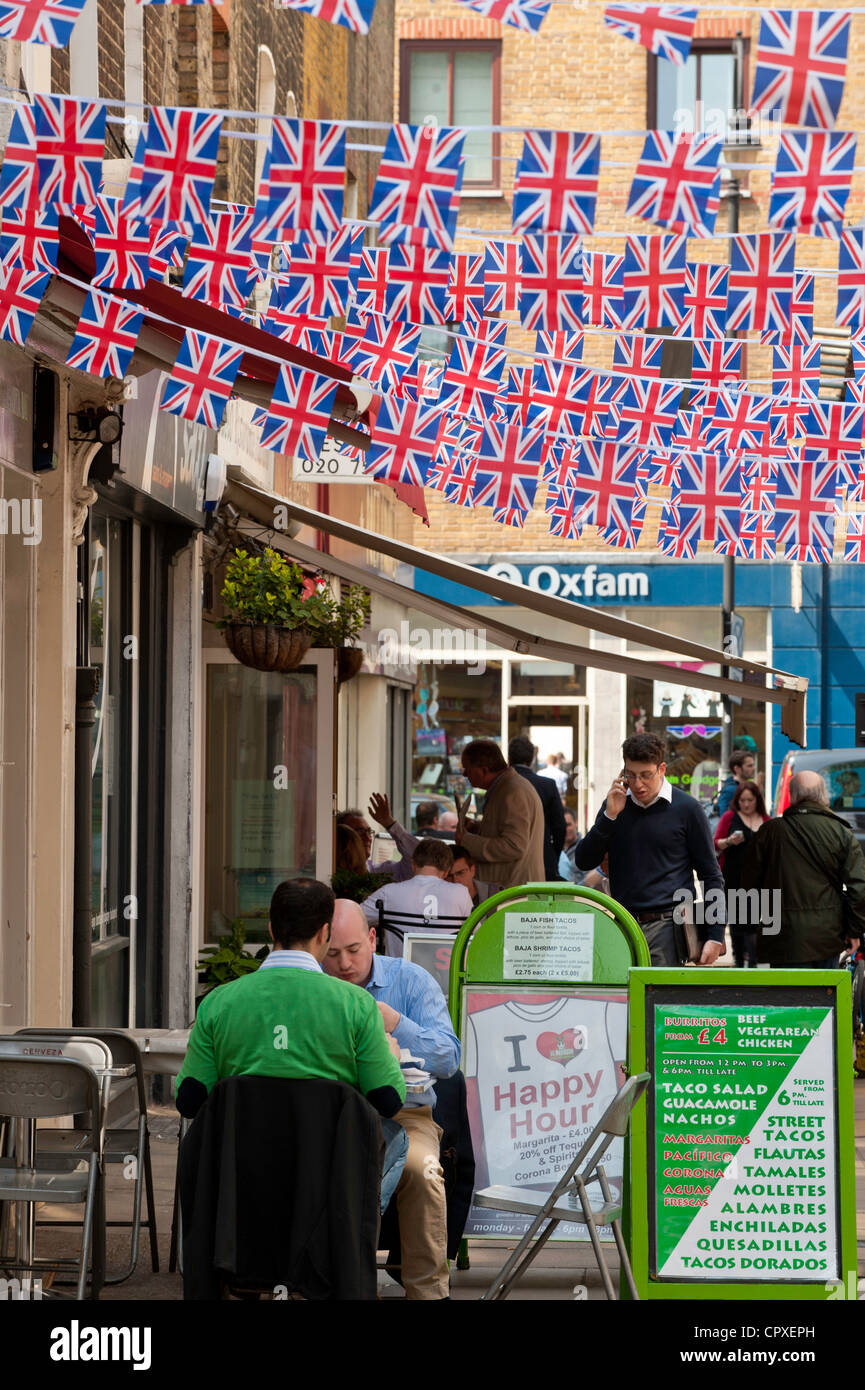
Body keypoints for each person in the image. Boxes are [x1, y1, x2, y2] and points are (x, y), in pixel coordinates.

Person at [174, 879, 409, 1211]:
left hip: (242, 1190)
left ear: (271, 930)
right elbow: (387, 1099)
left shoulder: (218, 1003)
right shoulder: (357, 1005)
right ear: (324, 934)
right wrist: (390, 1055)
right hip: (327, 1189)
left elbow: (189, 1100)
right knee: (397, 1138)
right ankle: (354, 1246)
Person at [324, 899, 461, 1301]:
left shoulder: (410, 980)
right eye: (332, 953)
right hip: (331, 1113)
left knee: (423, 1170)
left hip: (406, 1113)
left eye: (353, 950)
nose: (345, 963)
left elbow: (449, 1058)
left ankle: (428, 1292)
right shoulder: (315, 987)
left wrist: (397, 1023)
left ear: (373, 939)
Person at [573, 731, 726, 966]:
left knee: (659, 1000)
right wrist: (609, 815)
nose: (637, 784)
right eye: (630, 775)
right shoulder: (614, 806)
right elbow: (583, 860)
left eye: (646, 775)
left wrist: (715, 936)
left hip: (670, 928)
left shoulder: (687, 809)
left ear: (662, 769)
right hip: (622, 925)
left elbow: (710, 875)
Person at [741, 770, 865, 968]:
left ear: (792, 795)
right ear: (823, 795)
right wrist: (854, 931)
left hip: (781, 938)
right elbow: (859, 888)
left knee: (787, 997)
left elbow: (748, 885)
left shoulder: (770, 832)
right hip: (827, 938)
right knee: (825, 996)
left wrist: (752, 930)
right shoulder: (841, 833)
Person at [457, 739, 545, 889]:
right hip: (510, 891)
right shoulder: (507, 788)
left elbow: (514, 846)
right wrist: (478, 828)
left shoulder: (513, 792)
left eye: (467, 769)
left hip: (513, 894)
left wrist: (466, 841)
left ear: (484, 770)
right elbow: (506, 831)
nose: (465, 774)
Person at [360, 838, 474, 953]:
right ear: (446, 871)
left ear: (413, 865)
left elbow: (355, 918)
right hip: (445, 969)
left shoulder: (388, 893)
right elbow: (476, 933)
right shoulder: (461, 893)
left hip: (399, 969)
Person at [714, 780, 769, 968]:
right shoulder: (730, 817)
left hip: (758, 880)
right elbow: (714, 843)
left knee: (753, 922)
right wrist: (729, 841)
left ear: (757, 800)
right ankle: (738, 963)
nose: (746, 804)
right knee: (737, 923)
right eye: (742, 800)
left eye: (750, 800)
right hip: (733, 878)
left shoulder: (765, 819)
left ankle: (753, 963)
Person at [508, 736, 566, 881]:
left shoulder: (501, 785)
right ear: (533, 757)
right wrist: (553, 854)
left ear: (509, 757)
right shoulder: (547, 785)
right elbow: (559, 827)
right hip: (542, 858)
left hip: (508, 863)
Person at [338, 803, 417, 883]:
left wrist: (389, 823)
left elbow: (419, 857)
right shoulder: (331, 873)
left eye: (369, 832)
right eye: (360, 831)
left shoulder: (381, 873)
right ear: (343, 837)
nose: (368, 837)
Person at [717, 749, 760, 814]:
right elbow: (724, 818)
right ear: (737, 769)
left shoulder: (748, 787)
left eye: (753, 765)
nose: (754, 768)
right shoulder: (730, 790)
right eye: (749, 766)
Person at [558, 807, 585, 884]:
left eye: (568, 825)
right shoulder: (553, 851)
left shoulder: (586, 849)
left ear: (576, 822)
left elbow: (590, 882)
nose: (565, 829)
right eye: (562, 825)